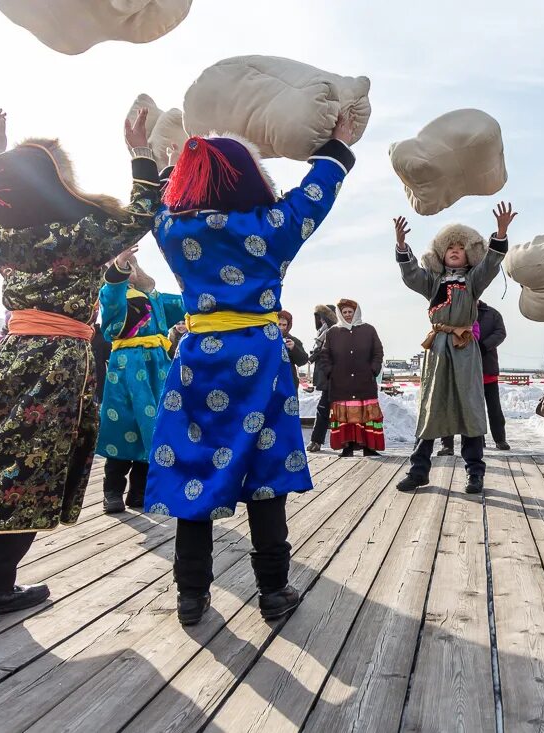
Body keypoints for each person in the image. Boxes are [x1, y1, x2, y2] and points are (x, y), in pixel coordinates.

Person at [0, 108, 160, 621]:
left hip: (12, 354)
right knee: (34, 468)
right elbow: (142, 213)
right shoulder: (82, 234)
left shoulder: (4, 239)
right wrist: (140, 152)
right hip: (58, 359)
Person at [144, 117, 357, 626]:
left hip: (198, 361)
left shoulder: (172, 230)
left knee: (194, 471)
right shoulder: (272, 227)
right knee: (266, 475)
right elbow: (316, 192)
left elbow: (156, 202)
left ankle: (190, 595)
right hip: (260, 364)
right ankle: (274, 591)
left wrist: (164, 162)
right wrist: (338, 145)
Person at [392, 203, 515, 494]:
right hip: (437, 349)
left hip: (464, 349)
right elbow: (411, 274)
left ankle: (475, 473)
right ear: (441, 253)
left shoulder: (473, 281)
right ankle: (419, 470)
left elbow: (490, 265)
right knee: (431, 406)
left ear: (469, 254)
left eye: (461, 247)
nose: (456, 251)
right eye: (450, 247)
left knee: (470, 407)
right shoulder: (432, 281)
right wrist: (401, 246)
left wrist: (500, 233)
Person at [96, 247, 185, 513]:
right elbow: (111, 295)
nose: (131, 268)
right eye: (126, 265)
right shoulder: (112, 293)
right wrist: (119, 267)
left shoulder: (154, 296)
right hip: (128, 365)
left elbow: (186, 303)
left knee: (154, 426)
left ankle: (140, 491)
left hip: (158, 365)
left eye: (133, 264)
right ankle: (112, 491)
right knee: (122, 423)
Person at [440, 300, 510, 454]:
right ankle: (449, 444)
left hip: (486, 367)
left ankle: (500, 439)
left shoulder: (492, 314)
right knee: (454, 406)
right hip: (460, 369)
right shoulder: (453, 312)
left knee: (494, 407)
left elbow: (500, 333)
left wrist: (484, 346)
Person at [317, 298, 384, 457]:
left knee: (367, 415)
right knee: (345, 416)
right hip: (341, 384)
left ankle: (369, 447)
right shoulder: (333, 332)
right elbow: (324, 355)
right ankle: (347, 447)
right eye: (344, 312)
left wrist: (373, 369)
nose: (347, 315)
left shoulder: (368, 330)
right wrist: (331, 372)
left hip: (364, 382)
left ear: (356, 312)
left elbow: (378, 352)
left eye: (350, 312)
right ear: (340, 314)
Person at [306, 304, 338, 452]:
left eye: (323, 318)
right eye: (319, 318)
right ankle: (316, 440)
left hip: (335, 378)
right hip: (327, 379)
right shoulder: (321, 333)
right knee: (323, 409)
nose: (321, 321)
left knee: (334, 410)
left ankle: (348, 442)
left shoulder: (333, 333)